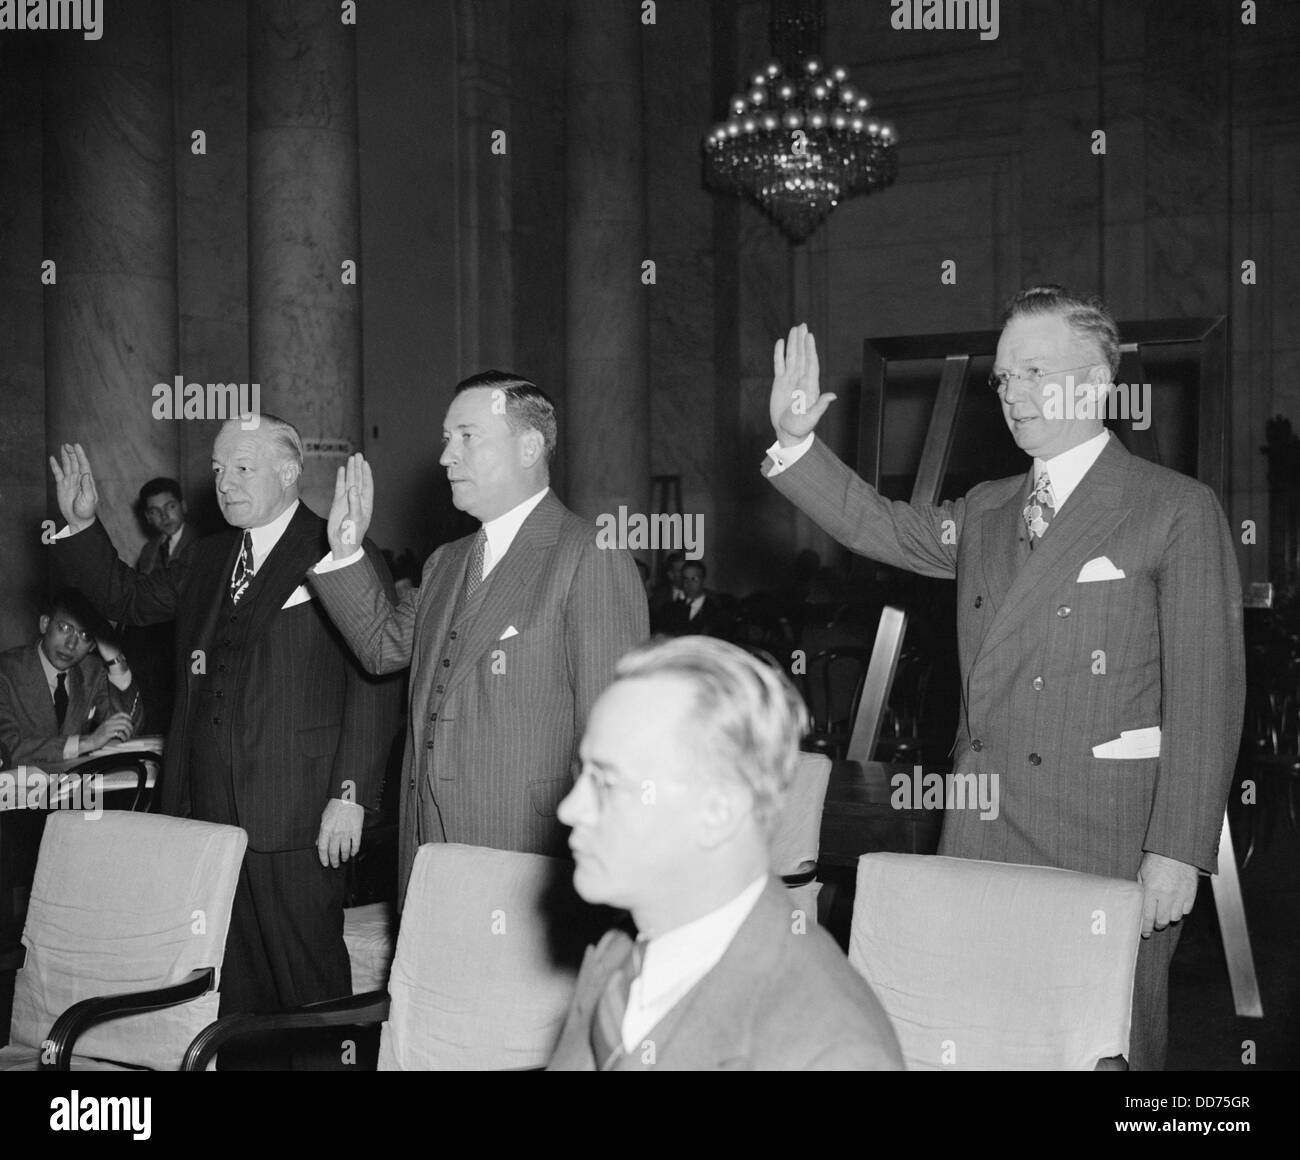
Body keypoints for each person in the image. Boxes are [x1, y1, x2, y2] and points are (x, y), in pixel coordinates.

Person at [762, 289, 1245, 1070]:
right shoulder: (988, 509)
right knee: (985, 1034)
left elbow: (1208, 694)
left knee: (1101, 1042)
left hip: (1109, 832)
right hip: (983, 823)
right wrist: (796, 443)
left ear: (1093, 384)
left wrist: (1179, 850)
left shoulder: (1174, 508)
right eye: (1003, 378)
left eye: (1033, 372)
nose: (1013, 393)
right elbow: (875, 524)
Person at [48, 418, 402, 1030]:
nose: (224, 483)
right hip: (209, 812)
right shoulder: (208, 555)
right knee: (230, 992)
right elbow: (129, 600)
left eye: (242, 468)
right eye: (217, 471)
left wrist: (349, 798)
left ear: (290, 472)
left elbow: (376, 681)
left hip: (298, 816)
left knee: (311, 994)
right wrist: (83, 524)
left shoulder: (338, 545)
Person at [311, 371, 648, 905]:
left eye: (467, 436)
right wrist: (348, 551)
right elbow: (380, 648)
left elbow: (615, 736)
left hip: (526, 858)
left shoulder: (588, 555)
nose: (446, 456)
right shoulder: (447, 562)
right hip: (425, 849)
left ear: (529, 447)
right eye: (447, 439)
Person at [547, 636, 903, 1071]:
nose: (569, 808)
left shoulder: (829, 1048)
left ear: (717, 812)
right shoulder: (619, 952)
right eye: (582, 773)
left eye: (607, 782)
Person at [0, 588, 143, 765]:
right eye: (65, 628)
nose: (71, 644)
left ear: (93, 645)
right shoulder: (6, 671)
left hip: (75, 789)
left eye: (84, 635)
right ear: (44, 624)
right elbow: (6, 750)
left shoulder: (93, 671)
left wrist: (116, 662)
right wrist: (85, 743)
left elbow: (128, 729)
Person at [124, 477, 196, 733]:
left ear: (183, 506)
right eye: (155, 511)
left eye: (170, 507)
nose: (164, 516)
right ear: (147, 517)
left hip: (188, 642)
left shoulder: (203, 545)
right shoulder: (149, 550)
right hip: (156, 648)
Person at [657, 561, 728, 638]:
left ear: (703, 580)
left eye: (694, 579)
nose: (689, 584)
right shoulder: (670, 610)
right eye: (685, 579)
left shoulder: (717, 612)